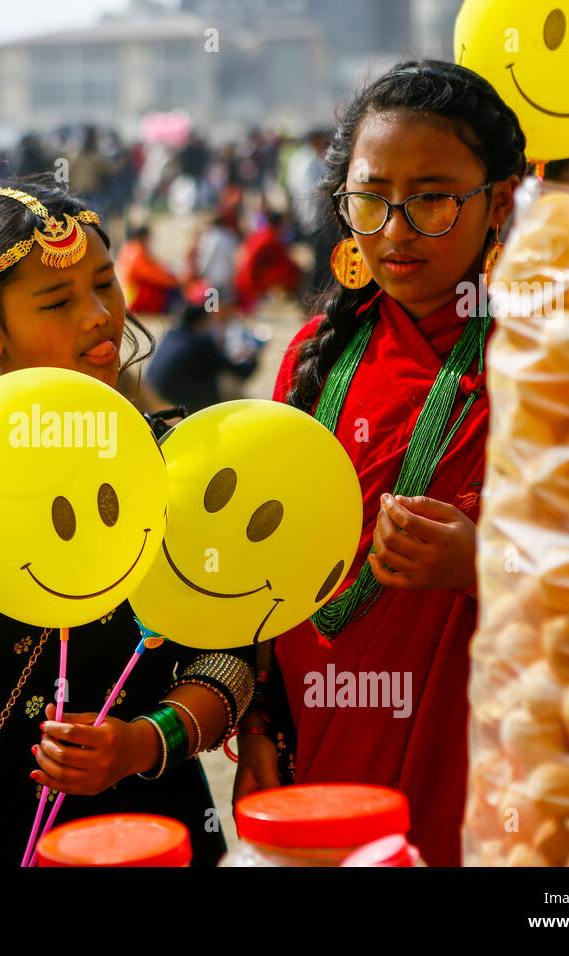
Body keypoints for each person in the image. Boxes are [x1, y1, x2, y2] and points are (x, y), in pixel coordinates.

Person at [0, 180, 255, 867]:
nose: (100, 317)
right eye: (59, 302)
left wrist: (145, 742)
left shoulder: (171, 459)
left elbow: (231, 652)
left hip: (153, 831)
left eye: (105, 285)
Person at [234, 61, 525, 867]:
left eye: (432, 198)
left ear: (500, 201)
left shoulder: (546, 365)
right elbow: (262, 565)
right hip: (322, 742)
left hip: (481, 750)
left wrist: (482, 563)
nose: (396, 230)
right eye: (372, 198)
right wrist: (259, 718)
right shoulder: (313, 358)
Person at [146, 302, 259, 414]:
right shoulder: (201, 343)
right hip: (180, 407)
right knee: (230, 386)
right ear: (200, 322)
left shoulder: (172, 335)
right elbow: (241, 372)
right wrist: (253, 356)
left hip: (153, 398)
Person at [234, 209, 302, 313]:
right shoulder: (271, 238)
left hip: (242, 277)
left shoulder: (260, 233)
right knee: (289, 270)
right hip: (250, 283)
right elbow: (286, 263)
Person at [115, 224, 181, 315]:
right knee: (172, 292)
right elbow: (154, 276)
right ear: (144, 237)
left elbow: (155, 267)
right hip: (134, 298)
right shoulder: (136, 254)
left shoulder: (130, 248)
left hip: (130, 294)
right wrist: (175, 281)